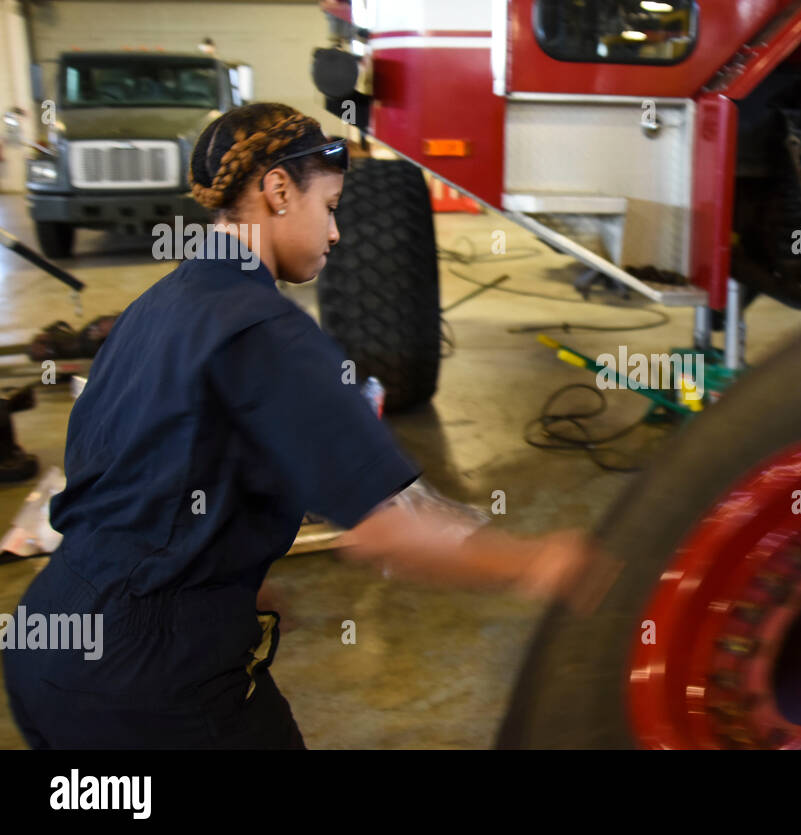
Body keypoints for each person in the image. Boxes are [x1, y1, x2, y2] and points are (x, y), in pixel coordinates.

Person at [2, 103, 612, 749]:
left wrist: (230, 577)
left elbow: (130, 482)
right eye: (331, 205)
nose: (337, 232)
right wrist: (540, 562)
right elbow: (389, 532)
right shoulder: (268, 331)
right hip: (151, 685)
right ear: (278, 190)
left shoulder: (154, 306)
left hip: (49, 647)